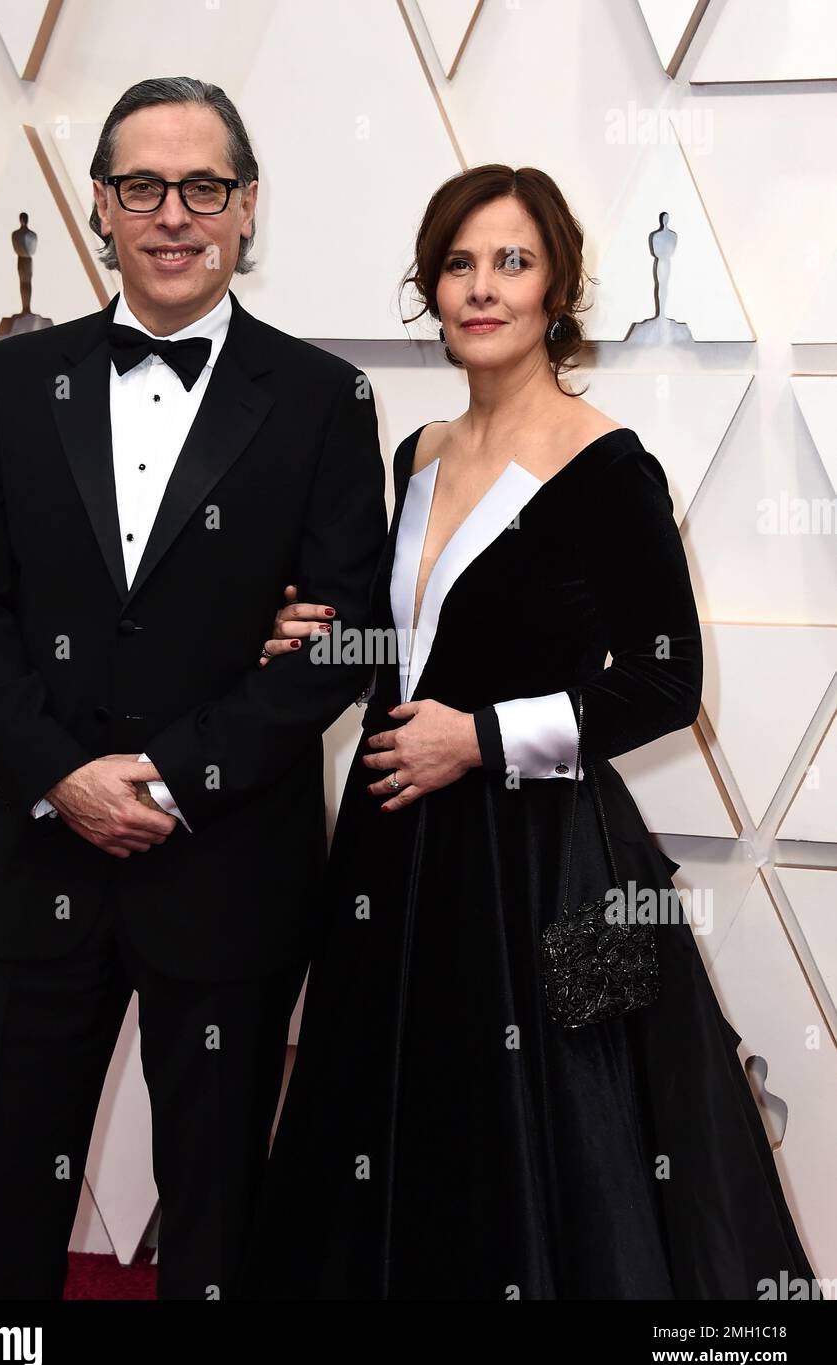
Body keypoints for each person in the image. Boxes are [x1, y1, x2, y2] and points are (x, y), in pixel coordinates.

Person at [238, 165, 817, 1299]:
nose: (482, 287)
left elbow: (665, 683)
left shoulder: (608, 463)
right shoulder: (412, 456)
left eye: (512, 261)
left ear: (559, 288)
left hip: (552, 862)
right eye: (458, 263)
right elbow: (404, 648)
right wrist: (313, 639)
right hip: (392, 855)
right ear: (430, 287)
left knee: (581, 1139)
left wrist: (485, 739)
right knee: (383, 1119)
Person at [0, 77, 386, 1300]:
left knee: (219, 1212)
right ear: (100, 212)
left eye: (203, 187)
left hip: (229, 862)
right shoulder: (16, 385)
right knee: (4, 1197)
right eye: (142, 186)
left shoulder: (326, 398)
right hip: (42, 850)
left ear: (245, 211)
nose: (173, 214)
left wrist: (178, 778)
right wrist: (61, 775)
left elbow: (351, 641)